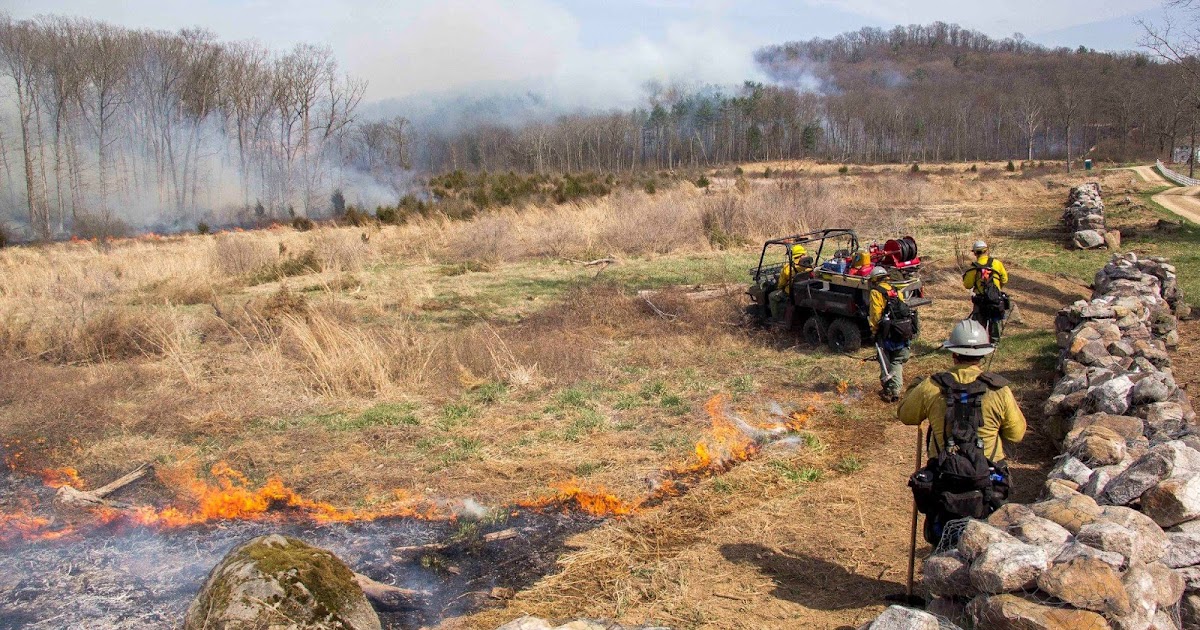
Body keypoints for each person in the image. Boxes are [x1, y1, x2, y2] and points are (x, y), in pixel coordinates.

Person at [898, 319, 1027, 545]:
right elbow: (1016, 435)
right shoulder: (999, 390)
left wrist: (914, 387)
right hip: (988, 478)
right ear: (983, 354)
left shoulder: (931, 386)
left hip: (945, 478)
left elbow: (906, 415)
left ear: (953, 354)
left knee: (944, 539)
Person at [868, 267, 914, 402]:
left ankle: (891, 390)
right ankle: (895, 389)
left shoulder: (876, 293)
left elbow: (875, 315)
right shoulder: (895, 290)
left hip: (886, 333)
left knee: (886, 360)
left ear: (874, 280)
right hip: (900, 330)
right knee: (898, 360)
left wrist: (874, 332)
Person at [961, 240, 1009, 341]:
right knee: (996, 320)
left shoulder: (974, 267)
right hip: (995, 299)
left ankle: (979, 341)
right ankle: (995, 341)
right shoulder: (997, 263)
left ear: (974, 253)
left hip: (980, 300)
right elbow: (1005, 279)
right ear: (986, 250)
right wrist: (997, 289)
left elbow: (967, 285)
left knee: (978, 323)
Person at [768, 244, 810, 320]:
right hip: (805, 291)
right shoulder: (809, 266)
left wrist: (779, 287)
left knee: (771, 296)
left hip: (791, 293)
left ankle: (775, 318)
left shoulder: (787, 268)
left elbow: (781, 284)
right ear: (803, 254)